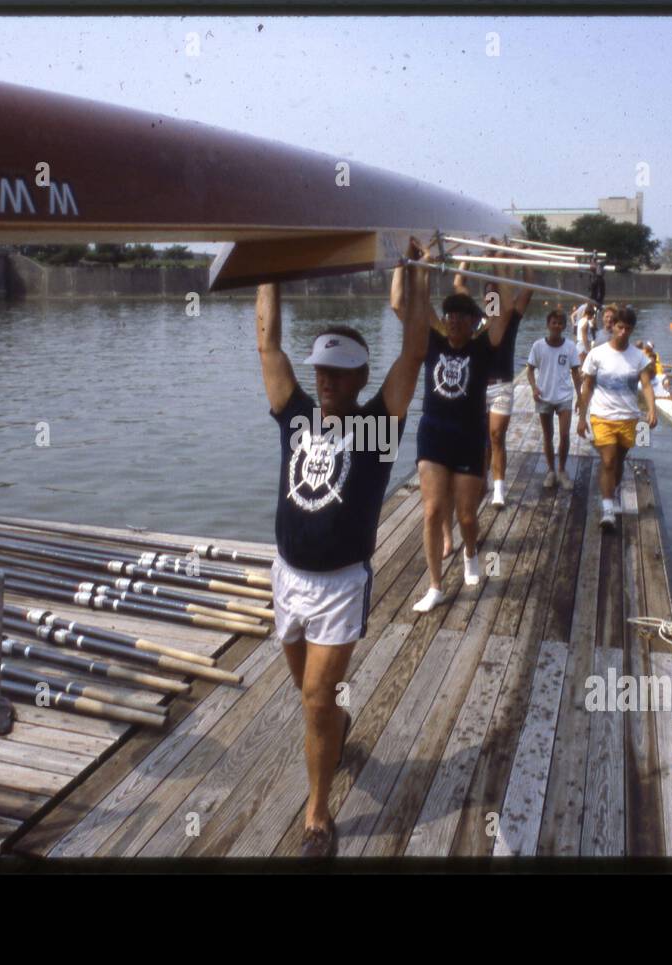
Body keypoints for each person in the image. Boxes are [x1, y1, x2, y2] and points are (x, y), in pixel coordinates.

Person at [257, 245, 427, 858]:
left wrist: (417, 272)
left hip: (338, 587)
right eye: (319, 372)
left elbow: (413, 351)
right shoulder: (296, 417)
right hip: (287, 577)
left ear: (359, 378)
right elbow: (269, 346)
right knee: (311, 696)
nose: (323, 382)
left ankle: (318, 815)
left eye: (336, 374)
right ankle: (337, 728)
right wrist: (267, 261)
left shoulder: (378, 429)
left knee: (315, 702)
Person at [405, 272, 512, 614]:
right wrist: (417, 269)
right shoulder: (433, 342)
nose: (453, 322)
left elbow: (499, 318)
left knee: (466, 515)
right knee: (433, 510)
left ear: (471, 322)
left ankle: (470, 553)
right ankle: (435, 585)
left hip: (468, 438)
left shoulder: (482, 348)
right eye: (449, 317)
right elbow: (414, 306)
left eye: (460, 317)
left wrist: (494, 282)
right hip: (434, 435)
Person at [576, 305, 657, 530]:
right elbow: (587, 387)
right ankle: (608, 509)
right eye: (620, 327)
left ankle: (614, 491)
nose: (623, 332)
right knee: (608, 460)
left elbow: (647, 386)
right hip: (602, 416)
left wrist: (652, 409)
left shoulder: (638, 357)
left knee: (619, 462)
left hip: (628, 417)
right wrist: (582, 417)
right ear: (613, 327)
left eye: (628, 329)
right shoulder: (597, 354)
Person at [481, 262, 534, 508]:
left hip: (502, 386)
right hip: (478, 387)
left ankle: (499, 489)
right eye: (488, 295)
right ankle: (481, 481)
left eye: (496, 294)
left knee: (496, 436)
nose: (492, 298)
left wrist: (513, 260)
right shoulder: (477, 323)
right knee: (481, 438)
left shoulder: (511, 319)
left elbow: (528, 289)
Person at [526, 309, 583, 489]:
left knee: (565, 435)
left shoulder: (570, 347)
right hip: (544, 397)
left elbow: (575, 372)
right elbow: (529, 369)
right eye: (554, 323)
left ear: (564, 326)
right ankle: (550, 470)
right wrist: (534, 387)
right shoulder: (538, 346)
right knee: (548, 435)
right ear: (548, 324)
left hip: (564, 396)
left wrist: (580, 396)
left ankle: (562, 470)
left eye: (560, 323)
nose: (557, 326)